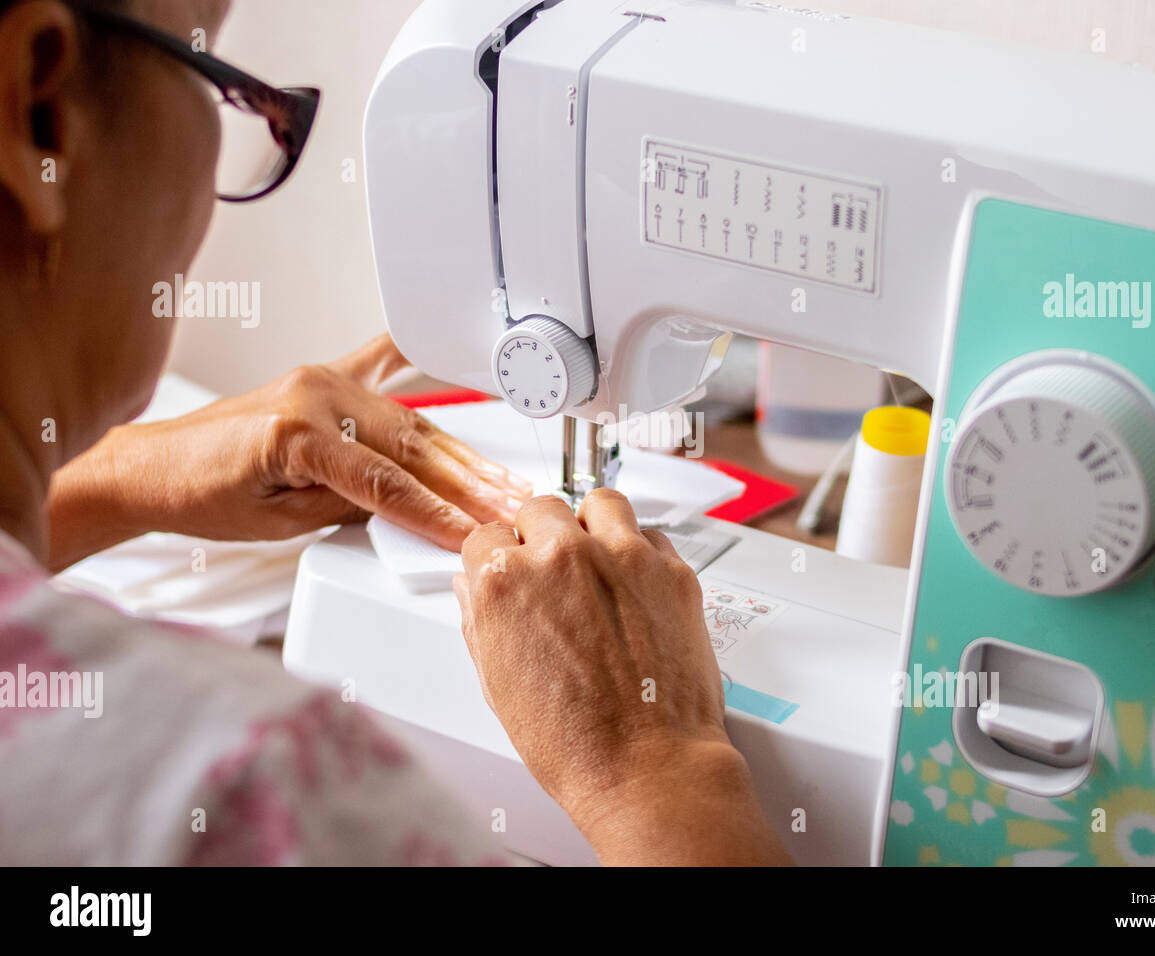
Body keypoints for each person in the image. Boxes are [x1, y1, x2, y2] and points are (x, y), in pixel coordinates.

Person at [0, 0, 790, 865]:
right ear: (39, 115)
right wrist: (662, 773)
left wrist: (96, 485)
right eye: (219, 81)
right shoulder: (256, 791)